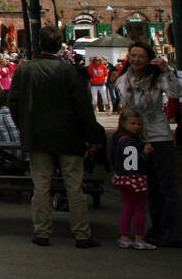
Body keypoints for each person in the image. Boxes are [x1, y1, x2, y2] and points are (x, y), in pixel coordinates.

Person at [10, 24, 104, 248]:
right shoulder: (69, 71)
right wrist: (93, 137)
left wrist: (24, 126)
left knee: (41, 185)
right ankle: (82, 233)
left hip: (38, 136)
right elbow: (83, 107)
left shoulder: (25, 70)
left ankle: (42, 231)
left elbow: (13, 101)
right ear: (60, 45)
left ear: (40, 44)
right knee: (74, 185)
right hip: (69, 136)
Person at [114, 41, 182, 246]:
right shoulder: (125, 80)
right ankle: (157, 228)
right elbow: (125, 106)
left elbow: (175, 93)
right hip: (137, 139)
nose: (136, 60)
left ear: (148, 58)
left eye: (141, 56)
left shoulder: (158, 77)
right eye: (133, 56)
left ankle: (174, 231)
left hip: (159, 135)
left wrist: (166, 70)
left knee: (167, 185)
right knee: (147, 185)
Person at [112, 108, 153, 250]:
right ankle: (139, 238)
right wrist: (145, 153)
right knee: (140, 209)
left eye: (138, 124)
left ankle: (124, 237)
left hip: (122, 177)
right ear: (124, 124)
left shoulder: (118, 139)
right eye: (133, 124)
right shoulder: (131, 143)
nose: (136, 127)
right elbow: (135, 163)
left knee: (128, 208)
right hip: (135, 178)